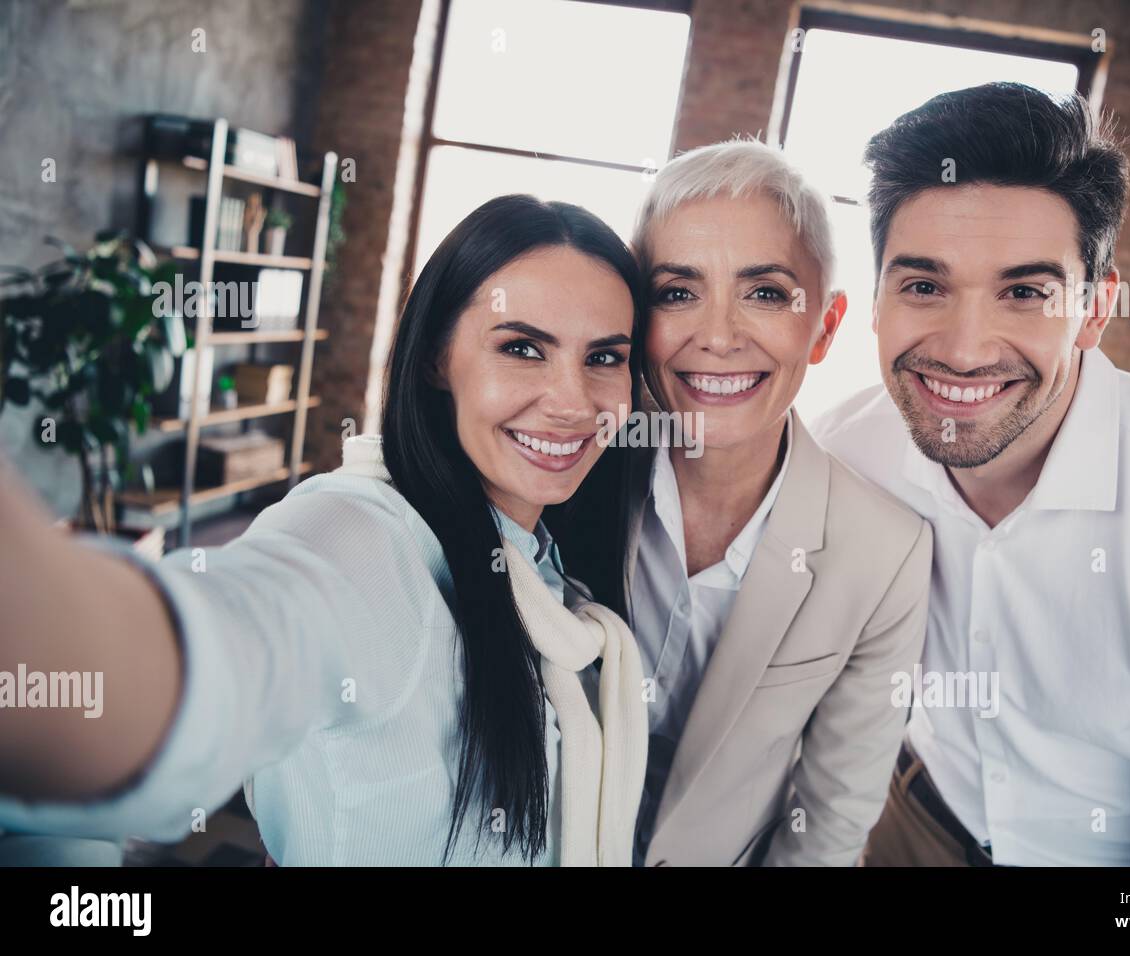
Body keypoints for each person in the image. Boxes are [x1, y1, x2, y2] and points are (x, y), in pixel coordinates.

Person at [0, 194, 649, 866]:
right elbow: (205, 653)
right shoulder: (360, 536)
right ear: (435, 357)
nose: (573, 402)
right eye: (521, 347)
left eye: (604, 358)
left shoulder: (554, 566)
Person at [813, 82, 1130, 866]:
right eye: (924, 286)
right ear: (876, 299)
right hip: (912, 819)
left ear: (1096, 310)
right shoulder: (838, 457)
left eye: (1026, 293)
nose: (966, 349)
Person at [558, 141, 932, 866]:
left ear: (824, 327)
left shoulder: (885, 554)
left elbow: (830, 817)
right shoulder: (568, 464)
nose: (720, 336)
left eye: (765, 293)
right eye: (677, 292)